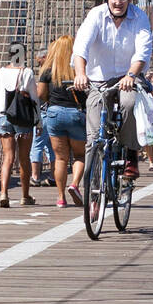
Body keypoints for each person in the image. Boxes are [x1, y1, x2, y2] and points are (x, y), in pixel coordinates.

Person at [70, 0, 152, 183]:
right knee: (94, 134)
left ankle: (130, 153)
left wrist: (131, 75)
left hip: (127, 77)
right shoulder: (96, 15)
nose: (118, 2)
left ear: (129, 0)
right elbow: (81, 47)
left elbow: (142, 52)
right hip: (98, 79)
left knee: (129, 103)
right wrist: (81, 74)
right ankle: (90, 182)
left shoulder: (139, 17)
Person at [38, 35, 90, 207]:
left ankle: (60, 198)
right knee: (80, 155)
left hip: (54, 114)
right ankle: (74, 184)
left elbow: (40, 95)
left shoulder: (48, 70)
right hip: (76, 114)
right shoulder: (80, 69)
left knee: (60, 158)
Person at [0, 47, 37, 208]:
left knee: (8, 157)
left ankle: (4, 193)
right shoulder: (27, 72)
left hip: (4, 116)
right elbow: (34, 99)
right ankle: (25, 196)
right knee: (24, 158)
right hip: (23, 118)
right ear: (23, 55)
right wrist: (37, 121)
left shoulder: (1, 72)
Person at [28, 52, 55, 186]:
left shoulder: (46, 72)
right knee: (52, 146)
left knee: (37, 145)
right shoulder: (58, 70)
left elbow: (40, 95)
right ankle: (53, 177)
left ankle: (35, 177)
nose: (39, 65)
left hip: (44, 113)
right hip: (54, 114)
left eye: (39, 62)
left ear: (45, 57)